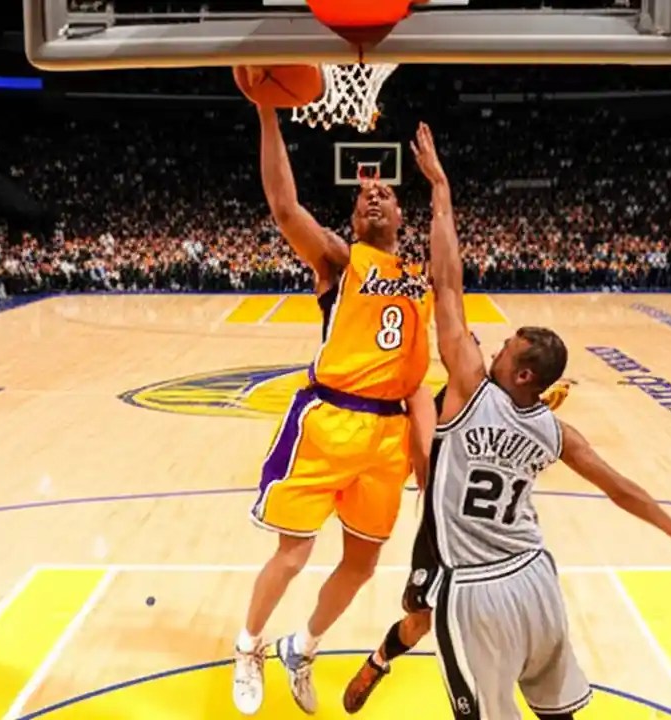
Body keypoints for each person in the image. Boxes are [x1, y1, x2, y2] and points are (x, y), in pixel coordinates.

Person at [342, 123, 671, 719]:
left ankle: (386, 657)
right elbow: (619, 487)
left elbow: (447, 282)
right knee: (544, 701)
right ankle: (382, 658)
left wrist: (440, 188)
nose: (493, 345)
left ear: (522, 375)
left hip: (474, 586)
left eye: (505, 348)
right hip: (535, 572)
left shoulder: (470, 386)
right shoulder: (554, 432)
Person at [232, 85, 439, 716]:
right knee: (294, 553)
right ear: (352, 219)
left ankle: (305, 646)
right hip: (327, 422)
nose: (375, 194)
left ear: (403, 217)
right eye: (363, 193)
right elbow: (282, 203)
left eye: (386, 193)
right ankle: (249, 646)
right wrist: (268, 111)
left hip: (387, 440)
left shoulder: (422, 285)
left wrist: (427, 454)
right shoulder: (340, 260)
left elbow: (424, 381)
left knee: (363, 565)